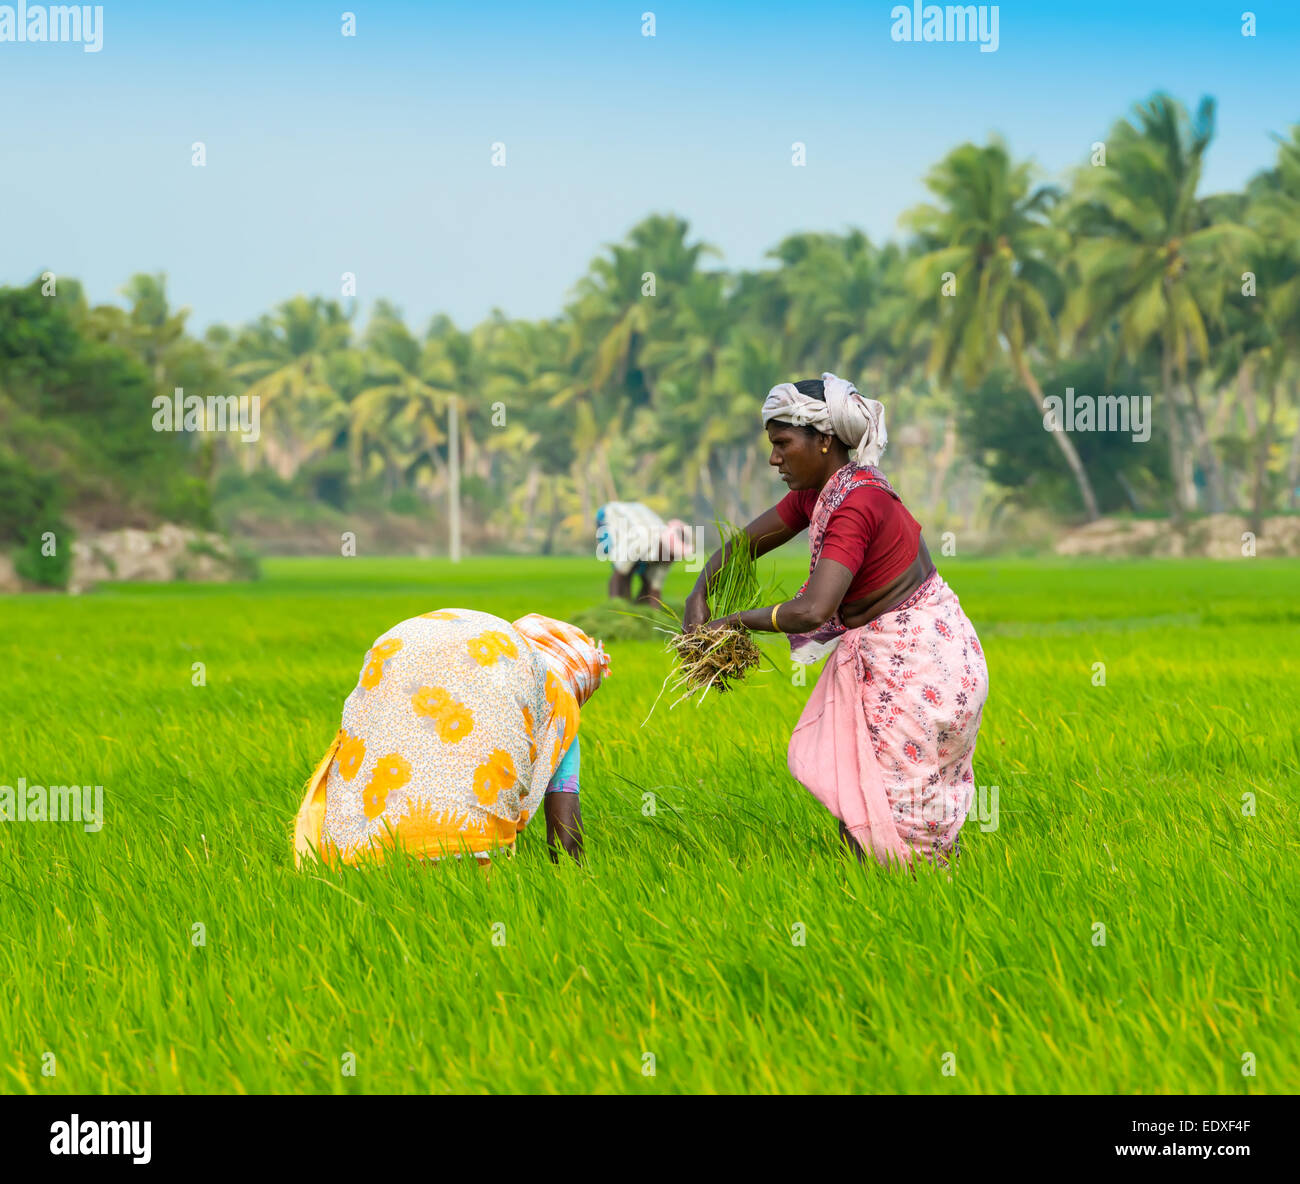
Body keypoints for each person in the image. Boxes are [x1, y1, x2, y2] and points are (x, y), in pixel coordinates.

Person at [684, 373, 988, 869]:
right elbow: (746, 544)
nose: (774, 458)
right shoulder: (823, 491)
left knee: (896, 826)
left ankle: (912, 915)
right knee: (868, 802)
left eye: (782, 444)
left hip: (921, 667)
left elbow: (814, 610)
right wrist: (701, 588)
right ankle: (876, 906)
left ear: (824, 440)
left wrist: (731, 623)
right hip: (909, 657)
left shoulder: (856, 502)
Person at [292, 609, 609, 867]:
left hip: (402, 645)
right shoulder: (557, 705)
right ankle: (450, 857)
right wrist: (574, 880)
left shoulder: (494, 659)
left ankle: (366, 855)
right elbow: (564, 829)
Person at [595, 501, 691, 608]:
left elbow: (654, 588)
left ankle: (637, 608)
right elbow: (618, 576)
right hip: (609, 516)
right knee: (626, 571)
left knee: (647, 578)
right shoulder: (641, 540)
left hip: (640, 517)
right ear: (664, 547)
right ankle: (624, 606)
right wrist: (616, 608)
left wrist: (655, 615)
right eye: (671, 555)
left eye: (674, 557)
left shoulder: (666, 556)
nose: (671, 560)